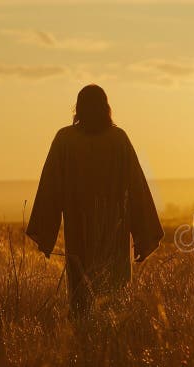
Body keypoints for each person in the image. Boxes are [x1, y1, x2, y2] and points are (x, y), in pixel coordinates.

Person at [27, 84, 164, 317]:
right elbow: (137, 189)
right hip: (113, 231)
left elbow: (50, 189)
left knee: (83, 300)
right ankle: (111, 345)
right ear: (106, 108)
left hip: (80, 232)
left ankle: (85, 342)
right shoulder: (117, 139)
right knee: (114, 301)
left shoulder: (65, 140)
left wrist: (45, 234)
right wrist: (143, 235)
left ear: (77, 109)